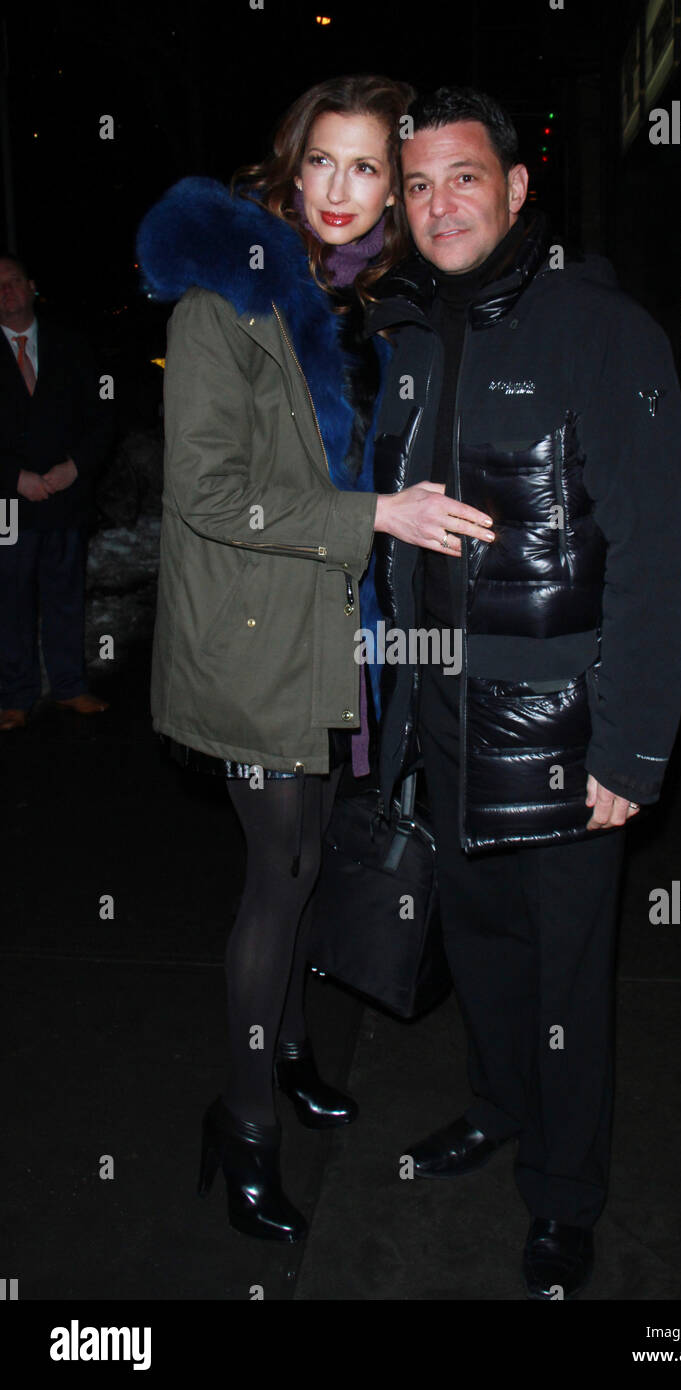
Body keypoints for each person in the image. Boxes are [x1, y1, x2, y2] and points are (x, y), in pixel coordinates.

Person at [134, 75, 494, 1244]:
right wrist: (374, 519)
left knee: (307, 867)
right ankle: (241, 1127)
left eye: (366, 170)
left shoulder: (355, 306)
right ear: (289, 170)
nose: (340, 192)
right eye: (322, 164)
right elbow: (204, 492)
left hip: (338, 634)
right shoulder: (220, 304)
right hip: (253, 641)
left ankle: (285, 1049)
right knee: (274, 883)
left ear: (390, 187)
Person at [367, 87, 681, 1298]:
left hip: (566, 727)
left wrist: (633, 752)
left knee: (567, 976)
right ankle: (498, 1106)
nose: (439, 203)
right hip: (445, 715)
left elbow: (660, 552)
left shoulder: (602, 331)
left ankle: (564, 1200)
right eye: (417, 185)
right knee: (485, 949)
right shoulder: (404, 331)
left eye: (463, 178)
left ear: (515, 191)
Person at [0, 253, 114, 730]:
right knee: (10, 599)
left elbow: (104, 413)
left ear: (31, 285)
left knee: (66, 595)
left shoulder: (72, 346)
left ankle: (70, 686)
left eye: (13, 282)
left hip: (66, 497)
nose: (7, 292)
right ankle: (13, 696)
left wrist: (76, 467)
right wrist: (13, 478)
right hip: (7, 504)